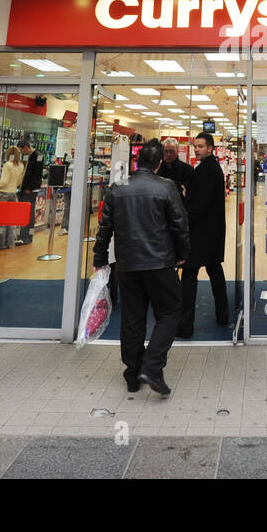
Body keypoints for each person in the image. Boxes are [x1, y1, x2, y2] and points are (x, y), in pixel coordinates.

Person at [91, 138, 190, 396]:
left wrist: (99, 258)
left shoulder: (117, 188)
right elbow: (180, 224)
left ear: (137, 161)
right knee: (170, 311)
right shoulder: (166, 187)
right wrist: (183, 253)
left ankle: (132, 374)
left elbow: (105, 228)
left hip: (128, 264)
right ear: (159, 163)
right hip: (159, 261)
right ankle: (152, 366)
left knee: (132, 317)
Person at [179, 131, 229, 337]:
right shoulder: (210, 168)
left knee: (189, 275)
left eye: (200, 146)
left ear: (210, 148)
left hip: (201, 232)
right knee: (214, 271)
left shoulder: (208, 170)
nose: (197, 149)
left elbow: (200, 204)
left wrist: (183, 221)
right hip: (211, 231)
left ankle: (185, 325)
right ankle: (223, 314)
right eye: (195, 146)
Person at [0, 145, 25, 251]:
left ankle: (0, 244)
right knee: (10, 221)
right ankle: (10, 243)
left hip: (4, 193)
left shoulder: (7, 165)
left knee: (1, 221)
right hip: (13, 193)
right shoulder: (21, 165)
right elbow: (19, 182)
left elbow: (4, 181)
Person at [16, 138, 44, 245]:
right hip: (23, 188)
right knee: (23, 213)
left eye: (22, 150)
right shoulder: (27, 156)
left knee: (28, 213)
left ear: (26, 147)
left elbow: (37, 175)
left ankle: (27, 237)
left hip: (30, 190)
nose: (21, 152)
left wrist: (30, 188)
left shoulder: (37, 156)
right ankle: (22, 236)